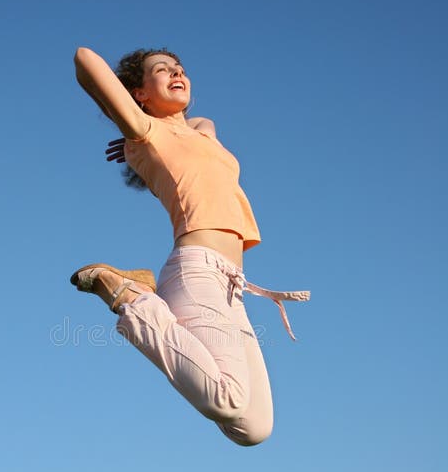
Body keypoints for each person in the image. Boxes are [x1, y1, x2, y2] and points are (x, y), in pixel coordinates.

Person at [70, 46, 310, 446]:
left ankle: (144, 296)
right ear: (140, 92)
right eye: (161, 70)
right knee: (228, 400)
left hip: (233, 285)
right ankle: (132, 298)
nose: (177, 73)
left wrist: (168, 108)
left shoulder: (198, 134)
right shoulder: (146, 132)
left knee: (253, 428)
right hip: (196, 269)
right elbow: (84, 60)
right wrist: (125, 114)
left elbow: (205, 122)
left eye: (180, 69)